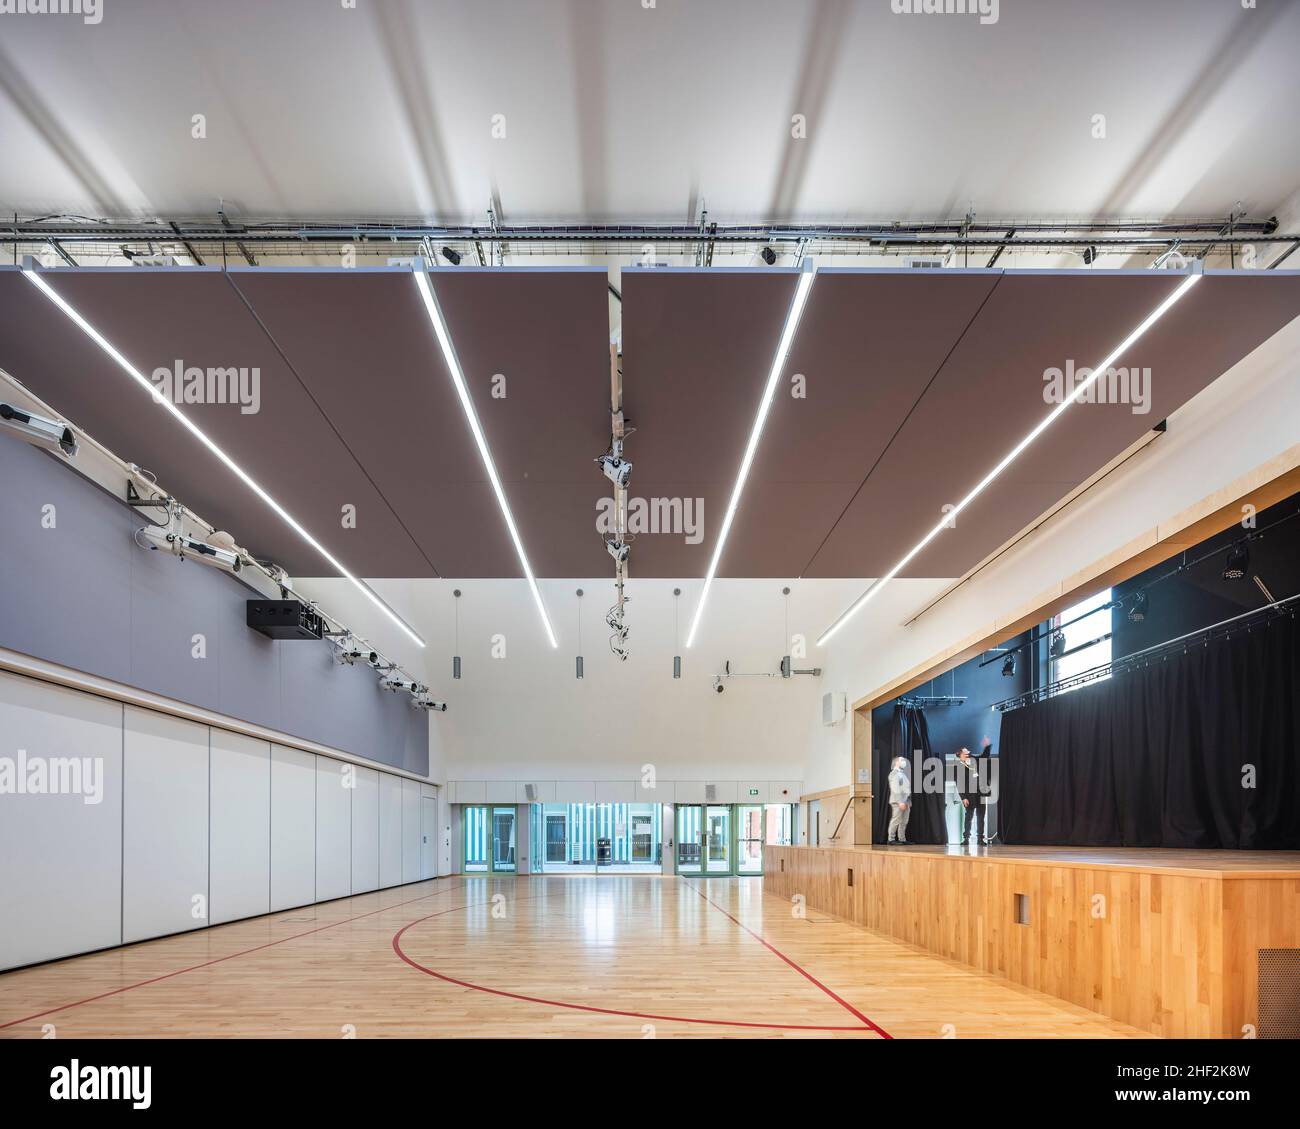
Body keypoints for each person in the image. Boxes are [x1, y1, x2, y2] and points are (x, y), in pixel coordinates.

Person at [955, 746, 986, 847]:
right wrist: (963, 797)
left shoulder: (973, 763)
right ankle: (966, 838)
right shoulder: (959, 766)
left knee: (981, 817)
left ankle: (980, 838)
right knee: (969, 817)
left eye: (968, 752)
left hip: (979, 794)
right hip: (969, 796)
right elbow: (959, 784)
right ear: (960, 755)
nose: (968, 753)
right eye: (965, 752)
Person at [886, 756, 911, 844]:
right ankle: (891, 839)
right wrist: (900, 801)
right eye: (902, 760)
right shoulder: (893, 773)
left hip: (905, 801)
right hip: (898, 801)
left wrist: (908, 801)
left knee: (904, 821)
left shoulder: (902, 774)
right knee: (896, 820)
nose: (904, 762)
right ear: (897, 762)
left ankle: (902, 839)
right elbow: (895, 788)